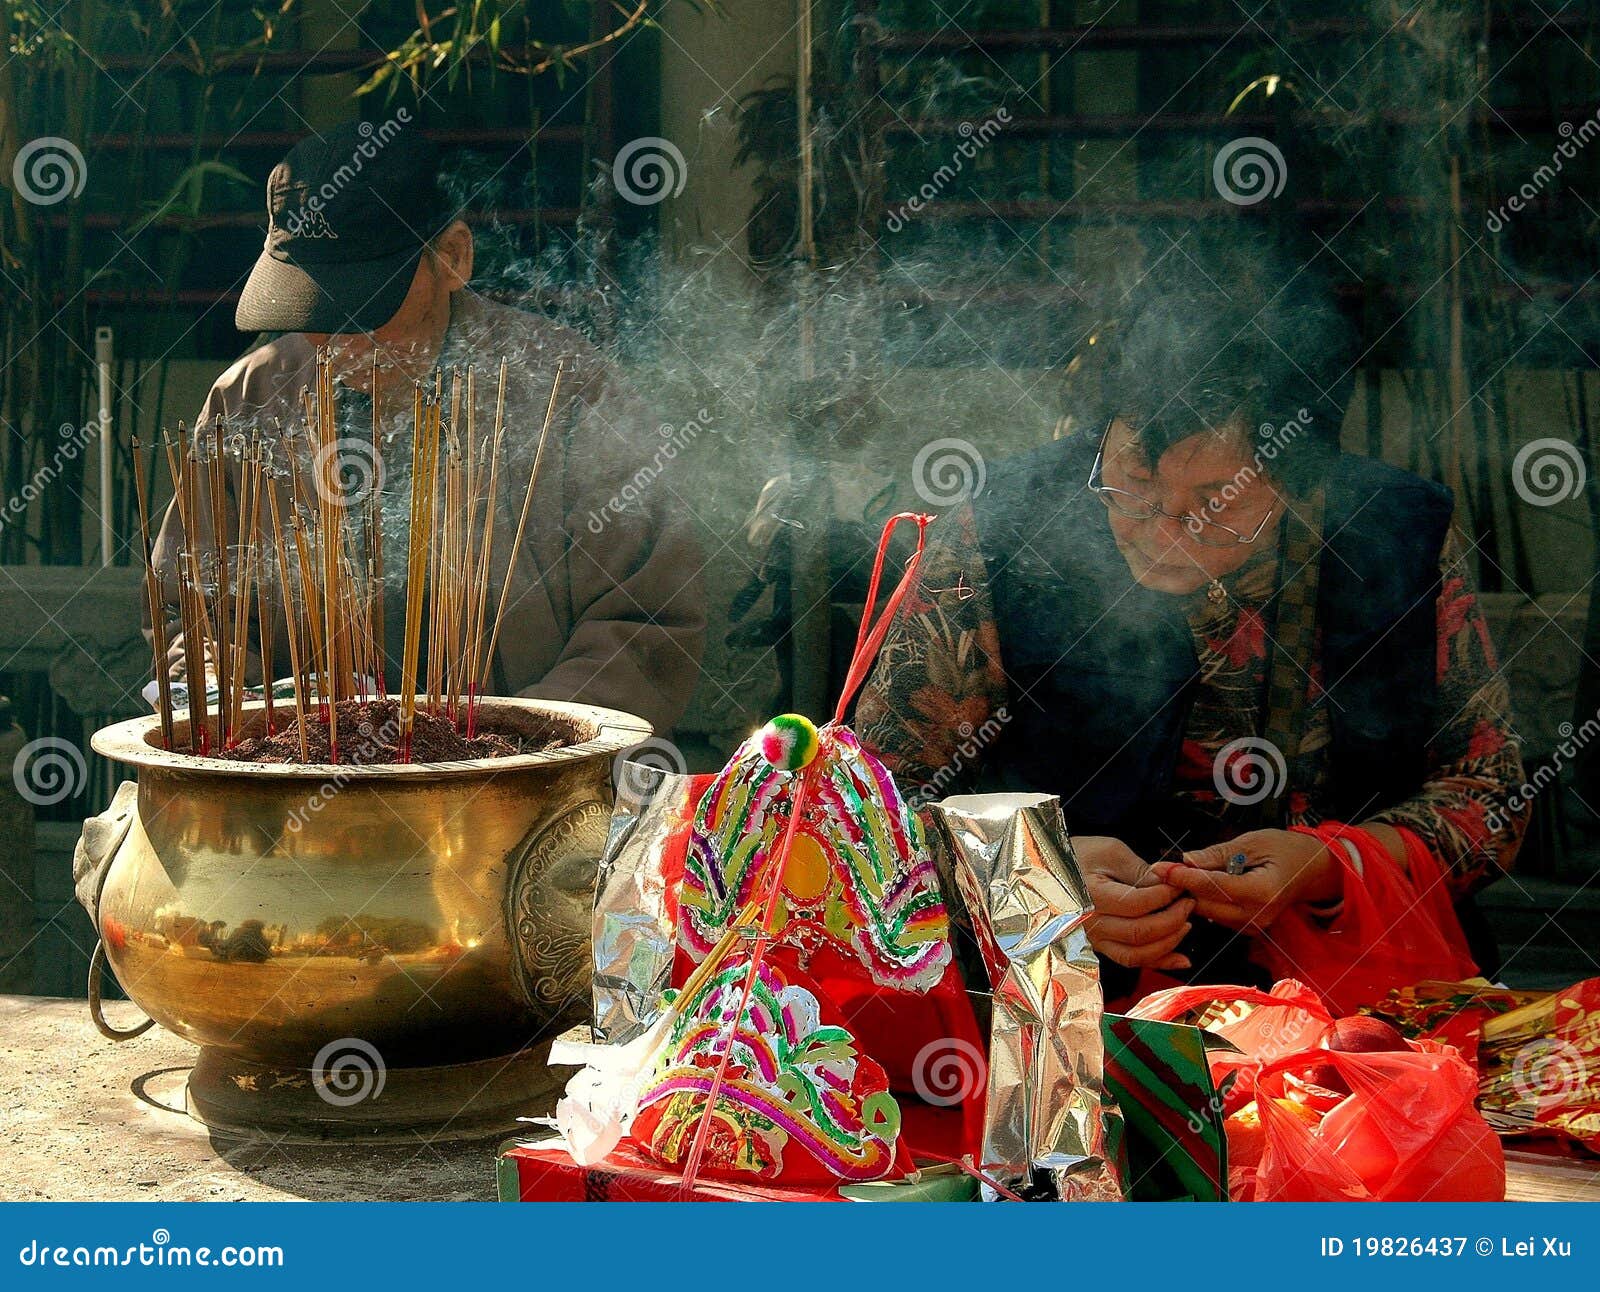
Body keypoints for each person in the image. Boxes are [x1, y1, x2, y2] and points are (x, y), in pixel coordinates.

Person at [856, 244, 1528, 1012]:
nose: (1165, 532)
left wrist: (1326, 866)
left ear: (1301, 480)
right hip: (1053, 1022)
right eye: (1135, 487)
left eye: (1216, 502)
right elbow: (864, 811)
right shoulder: (997, 529)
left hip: (1350, 1025)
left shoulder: (1398, 535)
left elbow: (1494, 794)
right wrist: (1031, 872)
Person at [150, 121, 703, 734]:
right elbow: (192, 607)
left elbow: (642, 622)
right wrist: (219, 673)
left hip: (517, 782)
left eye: (366, 306)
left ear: (453, 257)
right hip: (309, 779)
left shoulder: (569, 392)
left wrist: (503, 746)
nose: (339, 342)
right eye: (312, 308)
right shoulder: (249, 402)